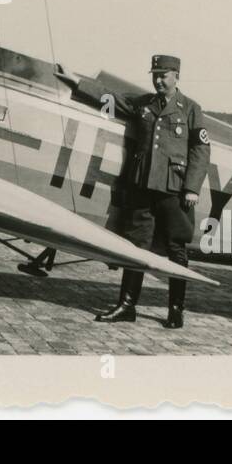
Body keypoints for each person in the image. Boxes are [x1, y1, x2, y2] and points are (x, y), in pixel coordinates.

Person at [68, 54, 210, 329]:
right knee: (136, 247)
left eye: (164, 75)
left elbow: (201, 150)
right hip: (142, 186)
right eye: (155, 74)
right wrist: (76, 82)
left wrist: (191, 187)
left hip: (174, 190)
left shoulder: (191, 108)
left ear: (176, 76)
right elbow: (111, 97)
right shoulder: (143, 103)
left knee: (176, 249)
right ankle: (127, 305)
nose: (158, 79)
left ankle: (176, 309)